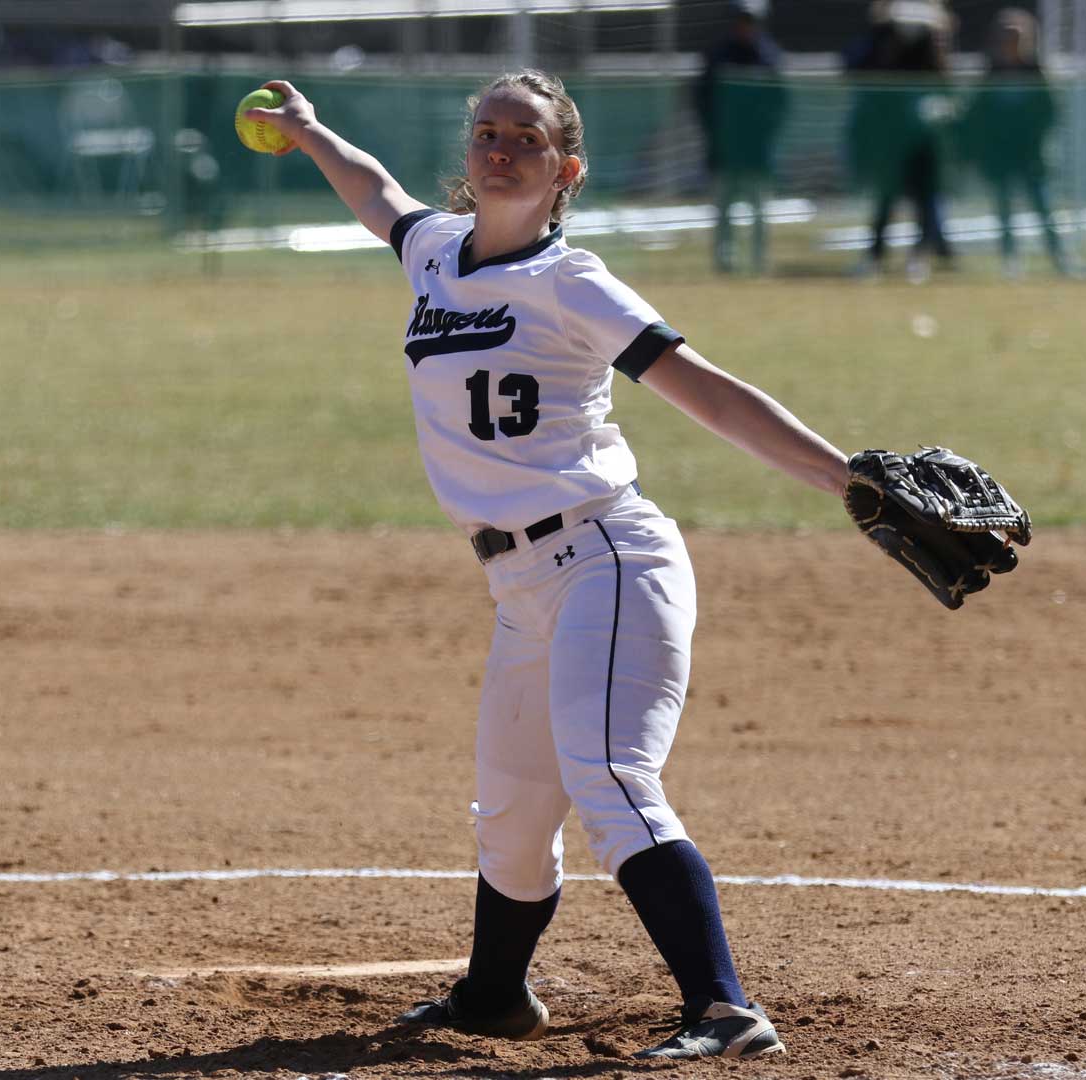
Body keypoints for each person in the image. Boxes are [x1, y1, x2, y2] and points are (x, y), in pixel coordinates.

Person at [243, 70, 852, 1060]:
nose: (500, 148)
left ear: (565, 169)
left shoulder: (572, 282)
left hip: (606, 559)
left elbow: (705, 389)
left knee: (608, 776)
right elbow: (376, 193)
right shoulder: (435, 252)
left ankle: (725, 1009)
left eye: (526, 137)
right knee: (513, 812)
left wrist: (844, 478)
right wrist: (311, 133)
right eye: (487, 131)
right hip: (518, 586)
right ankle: (494, 996)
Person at [844, 0, 959, 279]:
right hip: (891, 138)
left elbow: (945, 83)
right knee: (886, 197)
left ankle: (920, 257)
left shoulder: (931, 45)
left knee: (924, 199)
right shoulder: (881, 41)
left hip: (923, 140)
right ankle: (875, 256)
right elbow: (854, 64)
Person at [958, 9, 1070, 278]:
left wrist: (1033, 135)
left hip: (1030, 152)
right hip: (1000, 153)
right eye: (1006, 36)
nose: (1011, 43)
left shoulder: (1035, 71)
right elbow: (978, 113)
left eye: (1016, 37)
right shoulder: (991, 72)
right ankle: (1010, 259)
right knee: (1004, 208)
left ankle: (1059, 257)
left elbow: (1050, 110)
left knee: (1043, 206)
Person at [692, 0, 788, 275]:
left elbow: (779, 102)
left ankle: (759, 263)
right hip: (725, 150)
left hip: (758, 152)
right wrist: (714, 135)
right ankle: (725, 263)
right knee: (724, 209)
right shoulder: (718, 55)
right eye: (741, 21)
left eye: (750, 22)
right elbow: (702, 100)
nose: (745, 27)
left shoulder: (769, 57)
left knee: (759, 209)